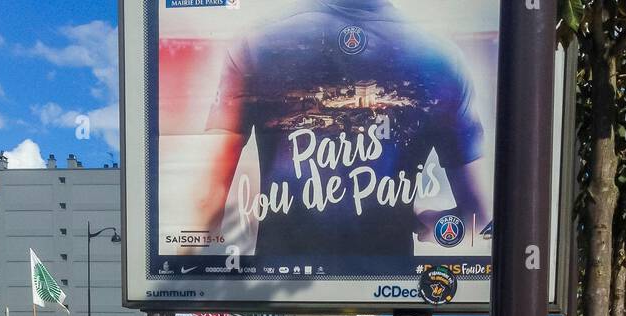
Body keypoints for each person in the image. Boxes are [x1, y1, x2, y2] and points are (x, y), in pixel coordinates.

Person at [186, 0, 491, 263]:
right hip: (387, 287)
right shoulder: (441, 58)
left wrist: (184, 287)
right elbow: (480, 217)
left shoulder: (255, 44)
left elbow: (207, 200)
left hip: (283, 286)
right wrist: (428, 224)